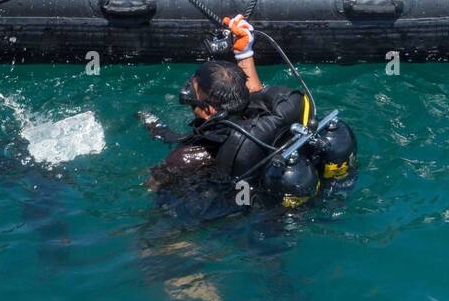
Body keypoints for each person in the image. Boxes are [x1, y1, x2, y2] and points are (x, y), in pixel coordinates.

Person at [142, 17, 356, 211]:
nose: (187, 91)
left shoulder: (185, 157)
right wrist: (244, 52)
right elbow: (254, 93)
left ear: (209, 110)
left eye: (193, 89)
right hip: (281, 189)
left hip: (234, 219)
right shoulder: (258, 117)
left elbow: (150, 187)